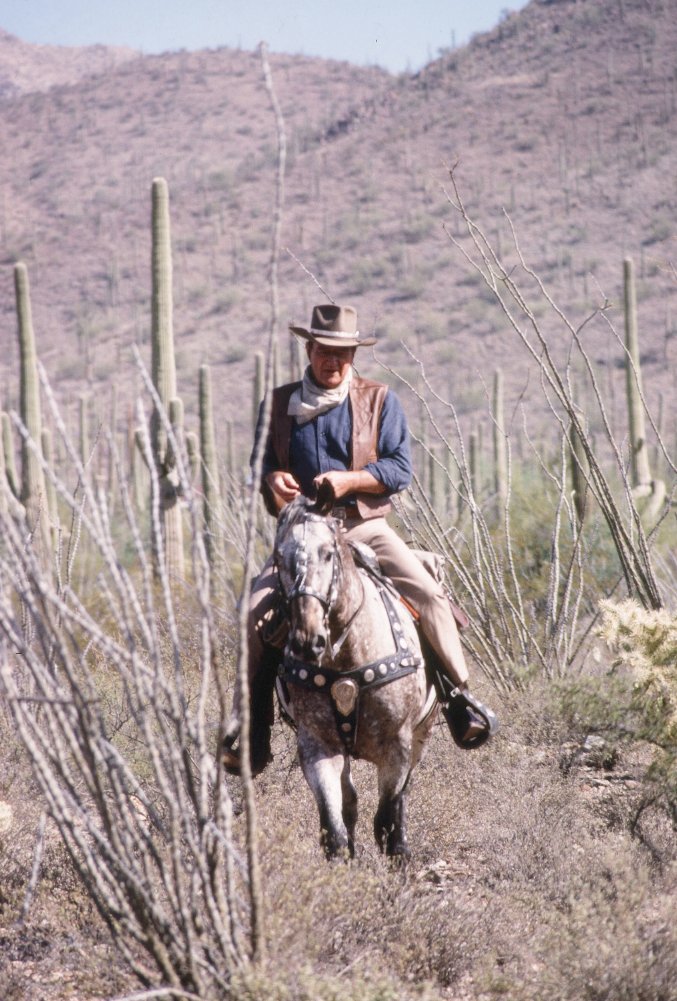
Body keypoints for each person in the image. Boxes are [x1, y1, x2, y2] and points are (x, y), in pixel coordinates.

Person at [223, 303, 490, 776]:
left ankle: (459, 700)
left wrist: (350, 481)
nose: (334, 362)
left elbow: (398, 469)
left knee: (428, 594)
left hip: (364, 526)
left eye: (343, 354)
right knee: (254, 612)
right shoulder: (279, 404)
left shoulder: (379, 400)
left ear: (353, 355)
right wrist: (272, 480)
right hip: (303, 534)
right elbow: (259, 465)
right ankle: (251, 730)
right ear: (310, 349)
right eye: (326, 352)